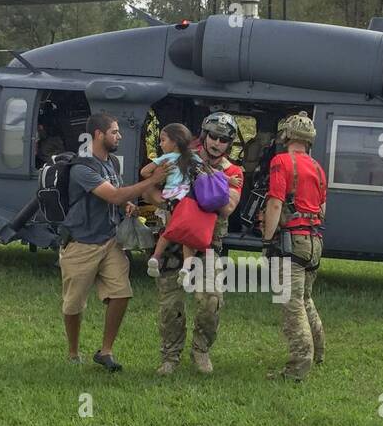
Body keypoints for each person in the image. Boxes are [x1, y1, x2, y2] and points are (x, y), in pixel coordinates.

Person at [59, 111, 169, 371]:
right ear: (99, 134)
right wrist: (151, 181)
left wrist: (128, 204)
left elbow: (118, 197)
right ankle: (73, 352)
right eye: (114, 132)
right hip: (81, 243)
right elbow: (113, 195)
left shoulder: (111, 163)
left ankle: (105, 351)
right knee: (74, 304)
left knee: (121, 294)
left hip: (110, 240)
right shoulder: (82, 167)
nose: (119, 135)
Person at [155, 111, 244, 376]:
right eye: (213, 137)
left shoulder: (233, 172)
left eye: (224, 140)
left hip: (207, 245)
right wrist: (166, 201)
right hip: (173, 241)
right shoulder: (180, 158)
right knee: (170, 306)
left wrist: (205, 178)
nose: (217, 143)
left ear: (229, 144)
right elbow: (152, 185)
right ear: (204, 137)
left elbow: (227, 208)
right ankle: (170, 356)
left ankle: (201, 350)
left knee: (211, 302)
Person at [260, 112, 326, 381]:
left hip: (292, 241)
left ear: (286, 136)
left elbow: (275, 203)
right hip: (314, 241)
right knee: (305, 299)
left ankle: (299, 366)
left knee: (291, 303)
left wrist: (267, 239)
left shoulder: (281, 162)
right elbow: (322, 209)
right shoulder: (318, 168)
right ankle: (319, 351)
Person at [140, 123, 197, 278]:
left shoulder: (166, 158)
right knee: (187, 234)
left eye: (163, 140)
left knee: (170, 230)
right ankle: (186, 267)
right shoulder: (191, 157)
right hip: (186, 201)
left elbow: (144, 172)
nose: (160, 144)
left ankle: (155, 257)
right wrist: (228, 179)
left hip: (170, 200)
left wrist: (158, 176)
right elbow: (208, 172)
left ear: (175, 141)